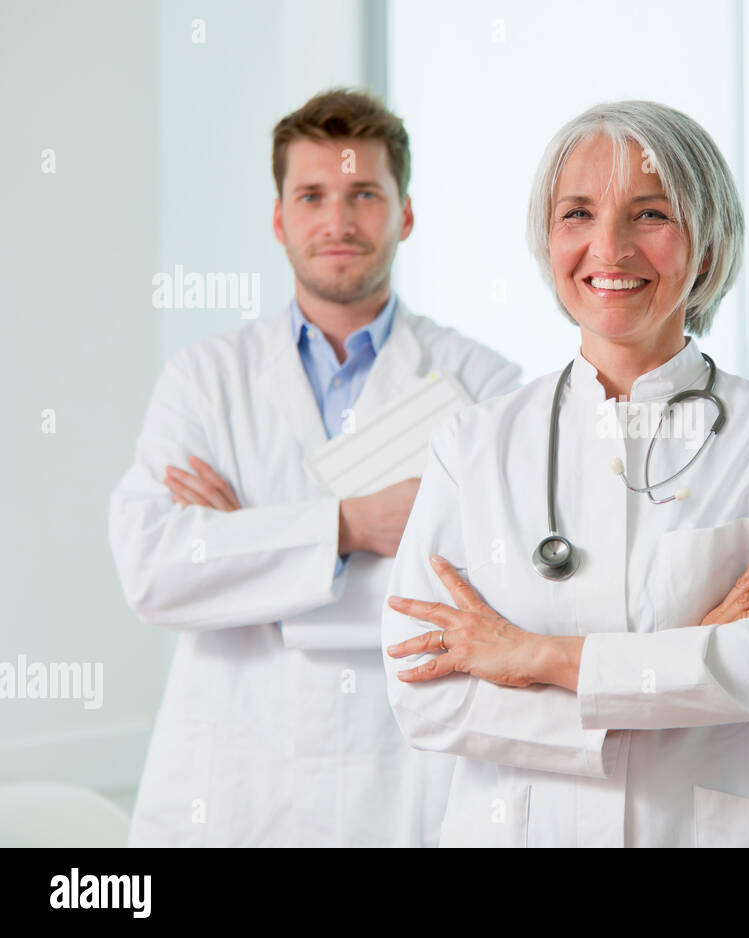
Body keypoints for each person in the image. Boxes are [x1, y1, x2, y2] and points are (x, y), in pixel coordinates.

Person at [381, 100, 749, 847]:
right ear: (546, 237)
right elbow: (424, 695)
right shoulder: (474, 444)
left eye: (650, 214)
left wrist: (540, 658)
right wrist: (690, 658)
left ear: (707, 241)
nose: (610, 246)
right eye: (577, 213)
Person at [107, 89, 522, 846]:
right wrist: (350, 526)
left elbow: (491, 596)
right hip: (236, 782)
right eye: (312, 196)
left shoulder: (485, 388)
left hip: (404, 779)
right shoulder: (205, 380)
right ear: (279, 219)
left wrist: (248, 548)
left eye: (364, 193)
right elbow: (152, 569)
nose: (338, 222)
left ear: (405, 214)